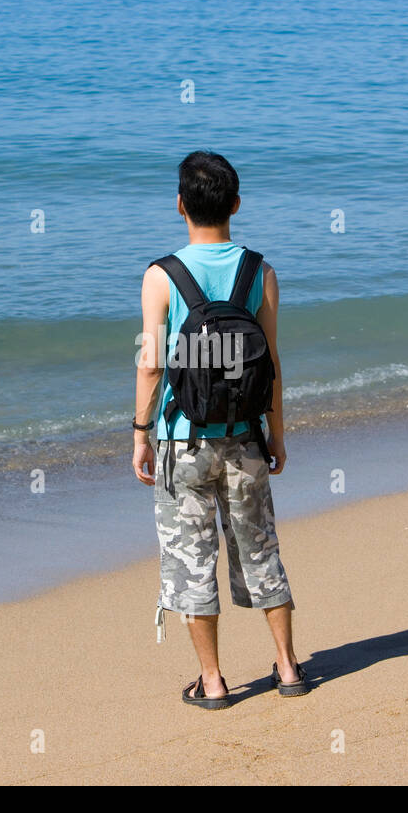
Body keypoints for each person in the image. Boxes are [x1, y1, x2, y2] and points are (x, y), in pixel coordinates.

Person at [132, 150, 309, 709]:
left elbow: (152, 364)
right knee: (260, 550)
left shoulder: (162, 275)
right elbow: (273, 360)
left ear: (180, 206)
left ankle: (212, 683)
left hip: (183, 442)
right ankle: (286, 668)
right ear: (235, 204)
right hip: (246, 438)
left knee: (190, 560)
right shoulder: (260, 271)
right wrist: (277, 434)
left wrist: (140, 433)